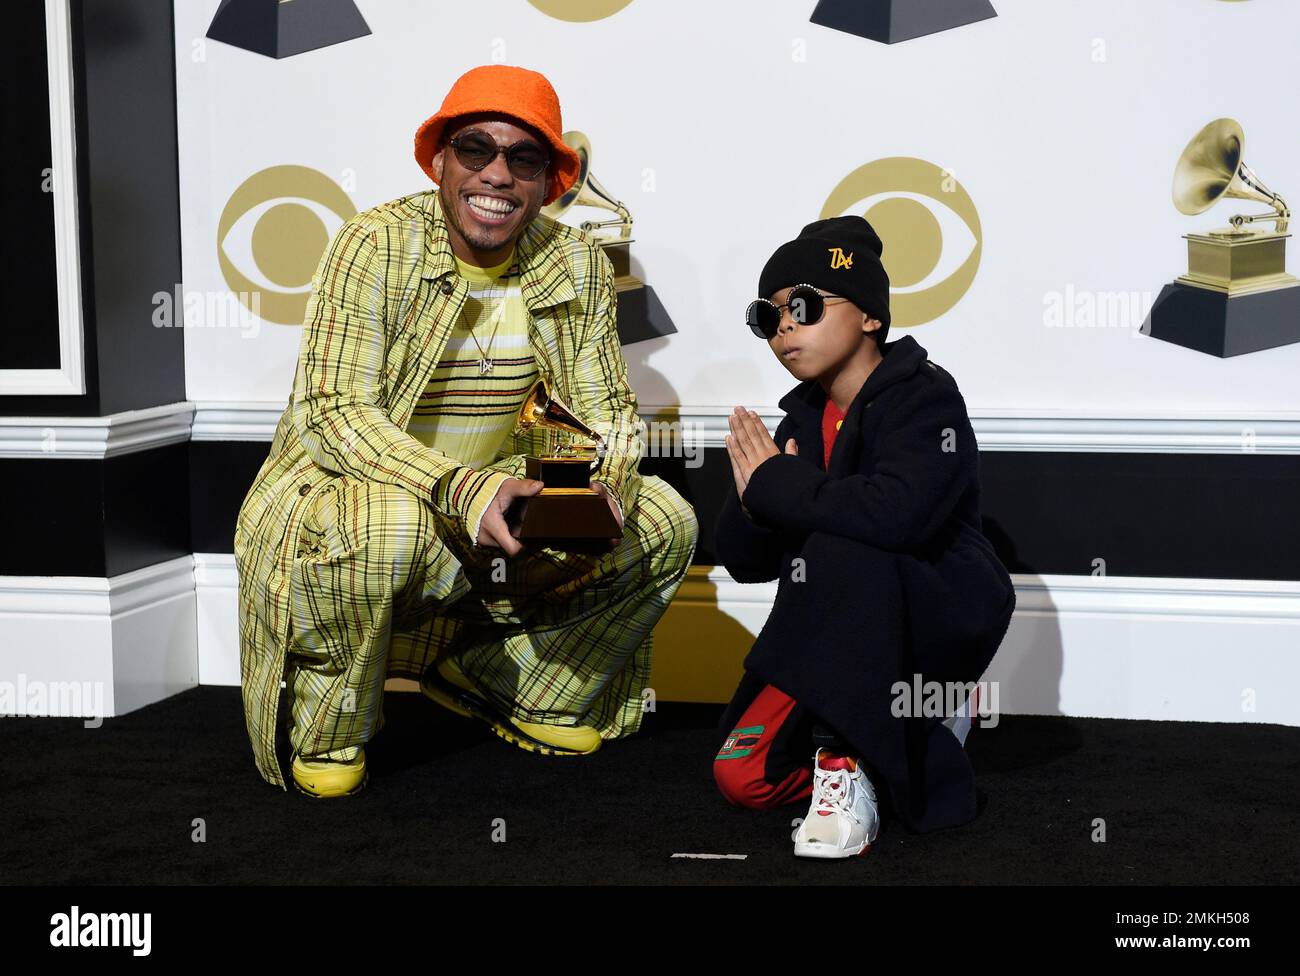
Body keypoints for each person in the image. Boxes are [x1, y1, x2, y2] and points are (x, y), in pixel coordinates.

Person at [234, 64, 698, 797]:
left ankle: (501, 680)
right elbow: (333, 411)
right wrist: (462, 487)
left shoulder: (574, 260)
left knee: (661, 518)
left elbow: (603, 411)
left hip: (493, 514)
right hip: (361, 502)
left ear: (550, 182)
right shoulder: (374, 243)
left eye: (524, 159)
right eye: (476, 149)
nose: (498, 174)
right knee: (387, 523)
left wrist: (588, 491)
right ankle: (332, 727)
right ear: (439, 162)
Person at [712, 215, 1016, 857]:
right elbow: (746, 562)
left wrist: (784, 488)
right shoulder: (797, 416)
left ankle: (846, 761)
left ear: (871, 317)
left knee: (844, 540)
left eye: (804, 305)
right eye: (768, 317)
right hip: (838, 624)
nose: (786, 325)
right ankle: (902, 738)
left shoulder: (925, 397)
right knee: (741, 776)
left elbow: (898, 514)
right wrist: (756, 503)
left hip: (939, 603)